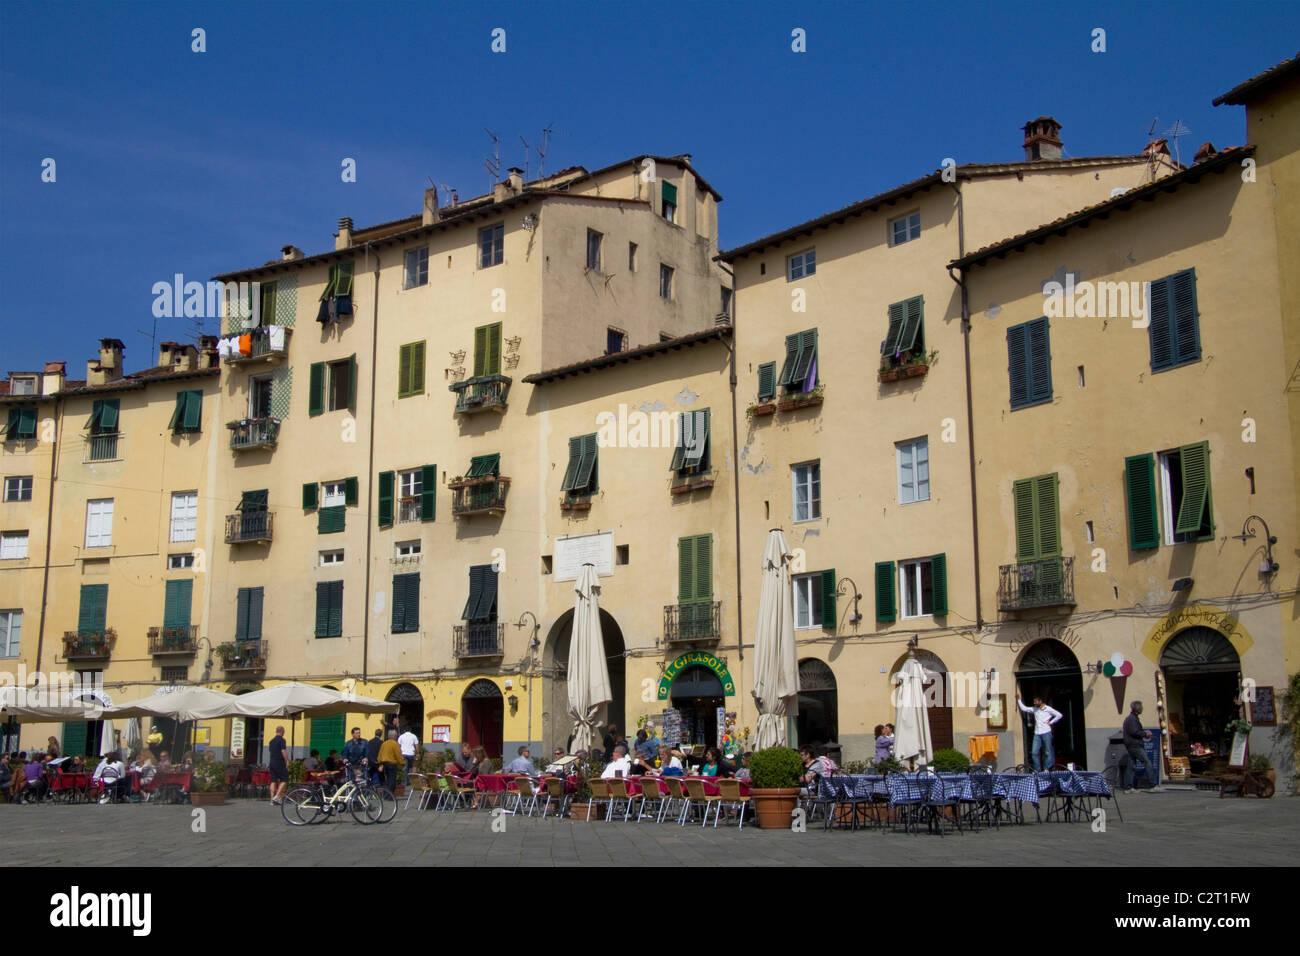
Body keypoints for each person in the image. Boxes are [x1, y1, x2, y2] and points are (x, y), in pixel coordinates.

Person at [1017, 692, 1063, 771]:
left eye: (1036, 702)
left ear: (1040, 701)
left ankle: (1047, 768)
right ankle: (1037, 769)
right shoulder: (1035, 709)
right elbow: (1024, 708)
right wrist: (1018, 700)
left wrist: (1051, 722)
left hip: (1046, 732)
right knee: (1034, 752)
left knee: (1047, 752)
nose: (1034, 703)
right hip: (1037, 733)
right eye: (1034, 702)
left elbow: (1059, 715)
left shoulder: (1048, 709)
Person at [1121, 701, 1161, 792]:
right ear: (1137, 709)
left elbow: (1134, 730)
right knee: (1147, 762)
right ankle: (1153, 785)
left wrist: (1143, 732)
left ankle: (1128, 787)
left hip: (1131, 745)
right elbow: (1134, 731)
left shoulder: (1132, 718)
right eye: (1141, 707)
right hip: (1135, 745)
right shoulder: (1132, 719)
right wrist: (1145, 734)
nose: (1142, 709)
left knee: (1131, 765)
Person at [268, 725, 289, 805]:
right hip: (279, 762)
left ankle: (271, 800)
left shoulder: (271, 741)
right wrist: (287, 760)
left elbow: (270, 753)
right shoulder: (282, 740)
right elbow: (283, 751)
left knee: (273, 780)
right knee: (284, 779)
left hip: (272, 762)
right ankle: (277, 796)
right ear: (282, 732)